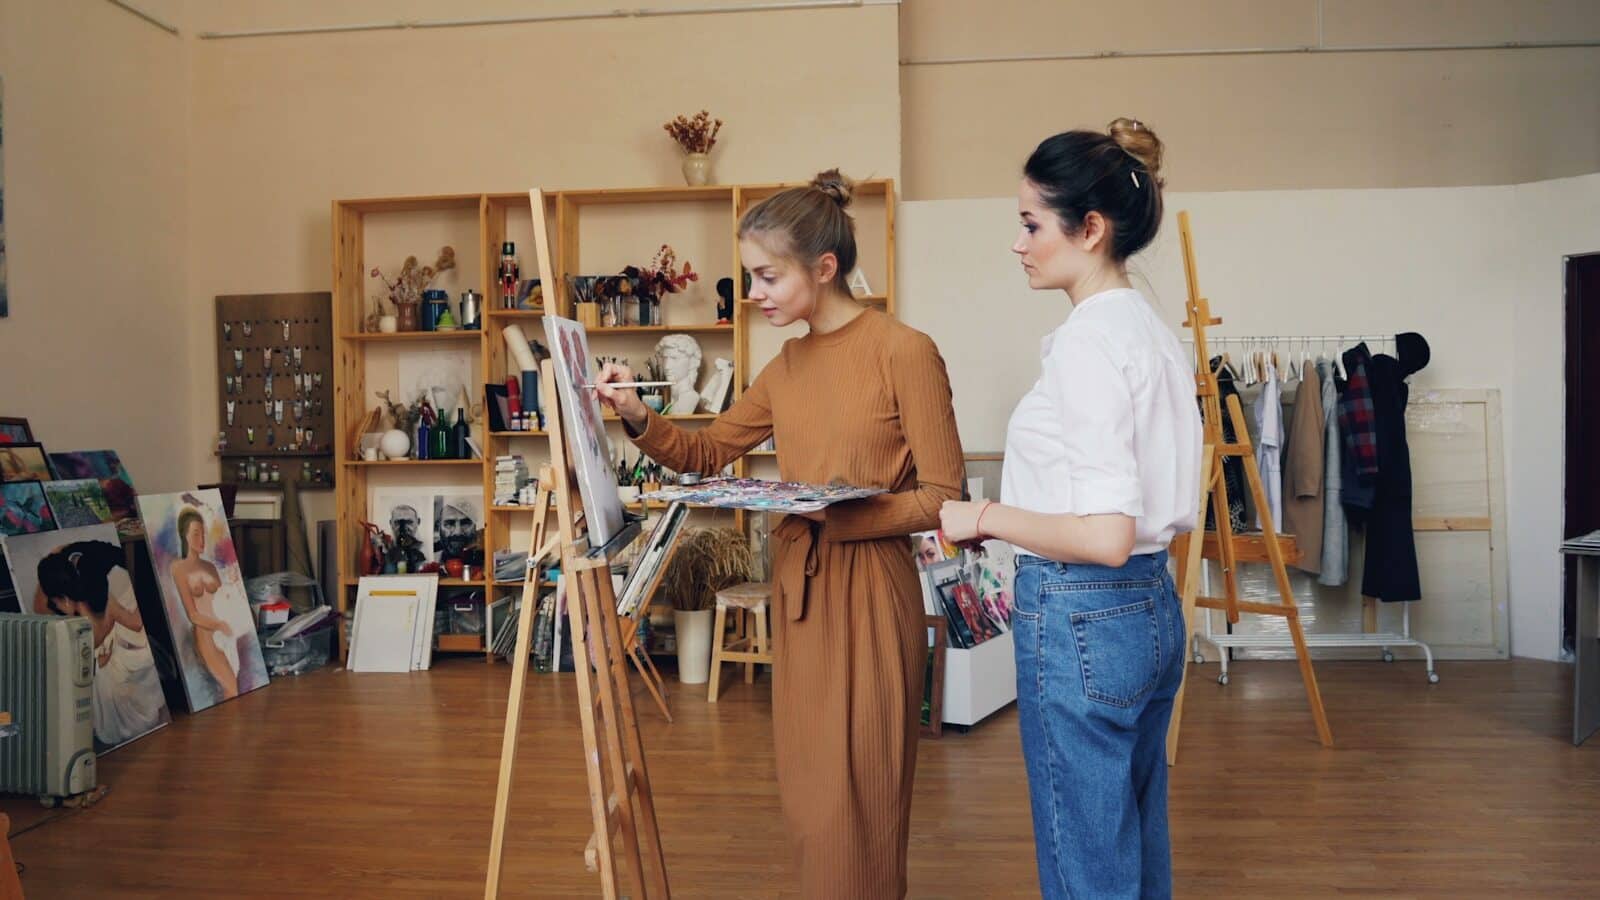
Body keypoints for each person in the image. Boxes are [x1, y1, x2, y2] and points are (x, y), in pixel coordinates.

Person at [595, 169, 965, 899]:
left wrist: (844, 516)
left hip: (870, 590)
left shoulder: (904, 351)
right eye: (750, 276)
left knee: (860, 795)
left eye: (767, 275)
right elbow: (704, 456)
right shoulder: (786, 364)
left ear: (823, 269)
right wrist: (636, 415)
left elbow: (944, 498)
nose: (754, 292)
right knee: (811, 797)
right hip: (800, 592)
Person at [940, 118, 1202, 900]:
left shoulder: (1091, 341)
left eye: (1030, 224)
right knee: (1132, 840)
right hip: (1149, 610)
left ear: (1090, 228)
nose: (1018, 243)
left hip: (1085, 610)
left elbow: (1106, 535)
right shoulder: (1150, 332)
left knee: (1086, 862)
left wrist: (981, 518)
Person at [34, 540, 169, 749]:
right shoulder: (106, 601)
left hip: (99, 673)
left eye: (57, 601)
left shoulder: (74, 627)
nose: (56, 605)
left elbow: (69, 671)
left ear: (66, 599)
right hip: (102, 668)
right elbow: (135, 622)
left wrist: (99, 661)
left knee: (109, 715)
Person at [169, 504, 240, 700]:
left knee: (235, 687)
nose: (201, 539)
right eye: (195, 533)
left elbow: (223, 599)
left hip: (225, 633)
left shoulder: (210, 567)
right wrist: (218, 625)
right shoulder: (178, 568)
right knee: (231, 687)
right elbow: (192, 615)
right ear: (184, 535)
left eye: (203, 533)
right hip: (206, 635)